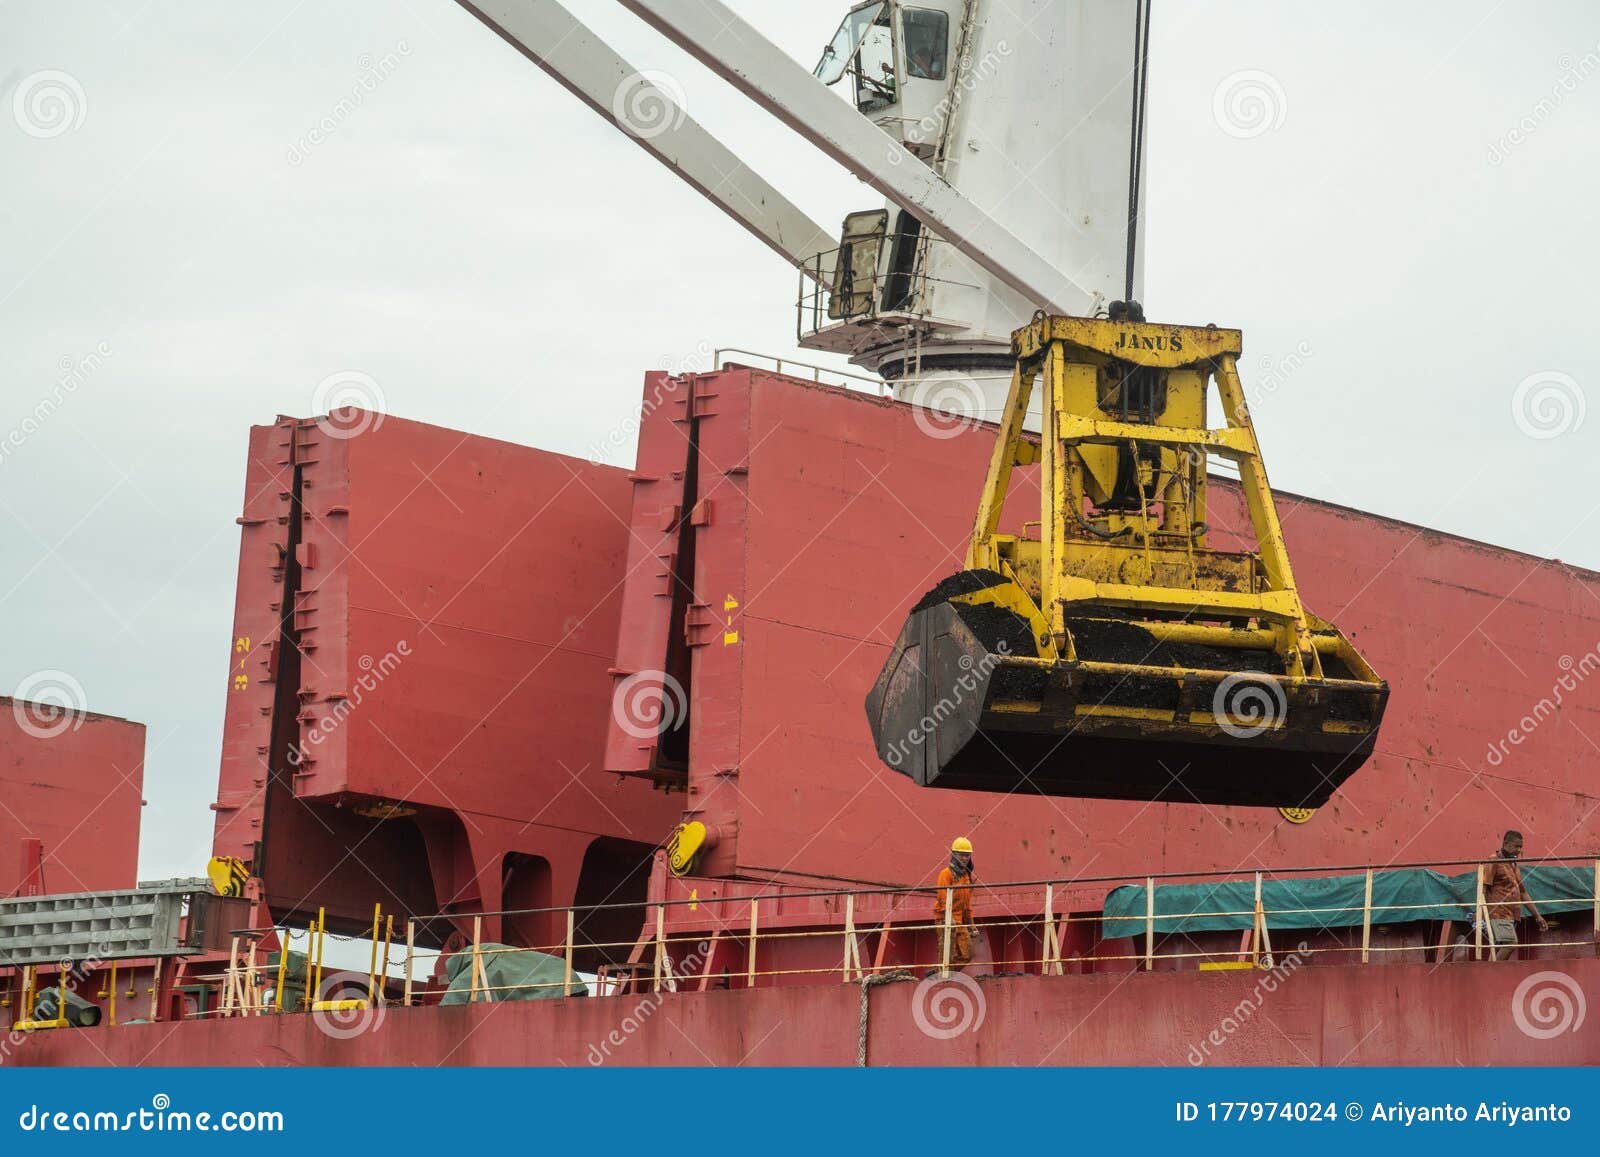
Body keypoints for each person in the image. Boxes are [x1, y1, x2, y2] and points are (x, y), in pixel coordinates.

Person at [1483, 829, 1548, 961]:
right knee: (1510, 944)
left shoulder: (1513, 865)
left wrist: (1538, 917)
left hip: (1512, 914)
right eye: (1516, 846)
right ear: (1506, 844)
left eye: (1521, 847)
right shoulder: (1493, 860)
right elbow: (1484, 888)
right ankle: (1491, 972)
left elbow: (1523, 892)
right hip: (1498, 913)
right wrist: (1485, 913)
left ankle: (1488, 976)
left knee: (1498, 947)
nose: (1519, 850)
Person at [933, 837, 977, 972]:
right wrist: (948, 917)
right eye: (961, 855)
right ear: (954, 854)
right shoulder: (945, 874)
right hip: (944, 919)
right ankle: (943, 976)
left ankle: (942, 973)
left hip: (959, 920)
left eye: (967, 855)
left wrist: (971, 925)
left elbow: (967, 904)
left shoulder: (966, 876)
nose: (964, 858)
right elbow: (942, 897)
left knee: (967, 953)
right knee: (946, 954)